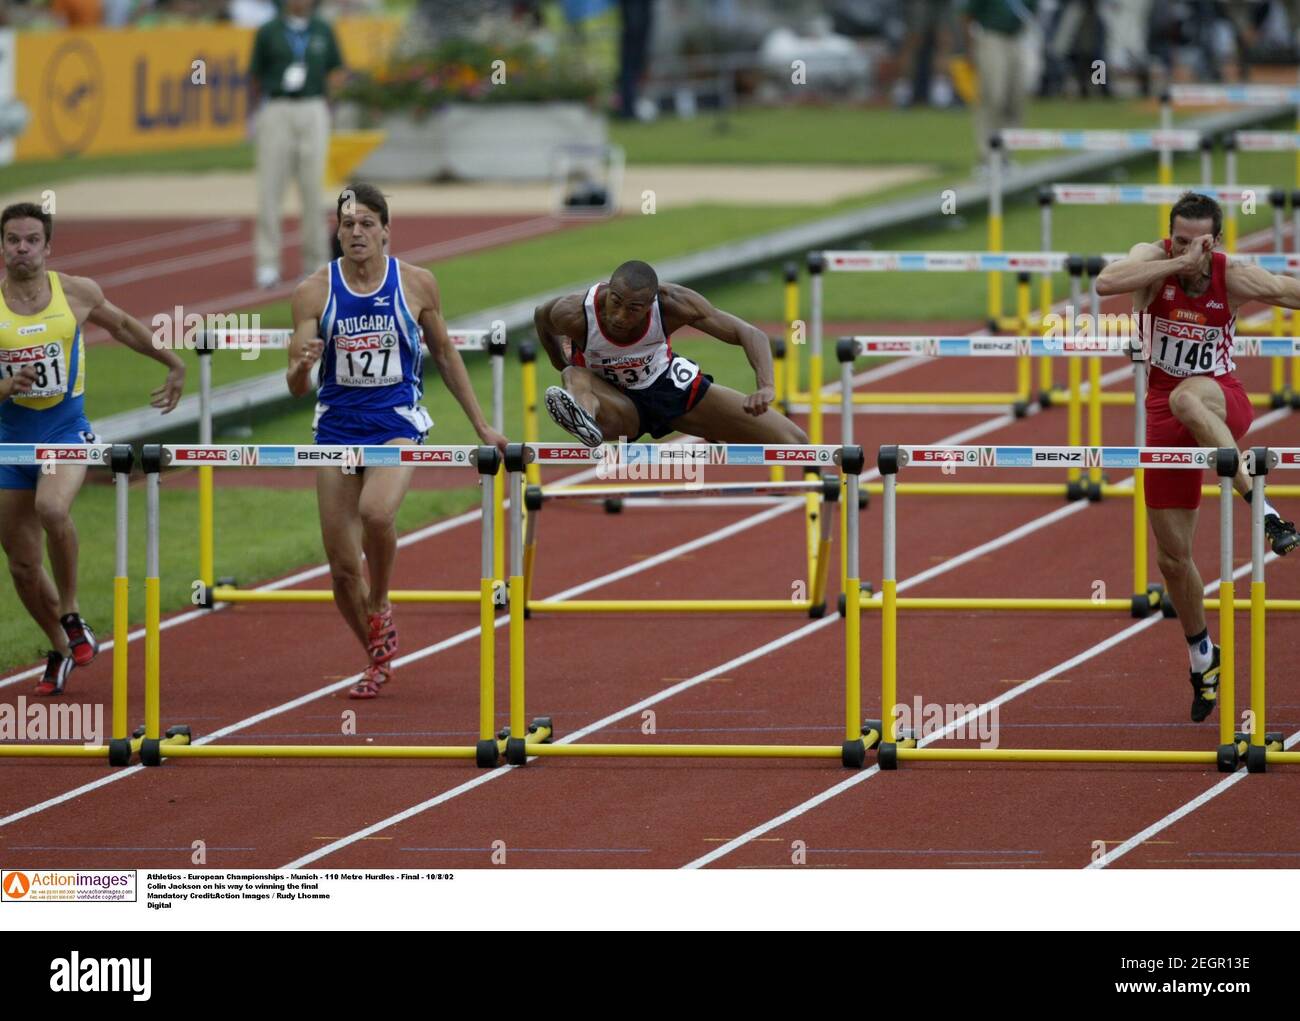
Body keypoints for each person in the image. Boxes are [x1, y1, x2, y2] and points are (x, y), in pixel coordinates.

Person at [286, 184, 507, 700]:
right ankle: (376, 657)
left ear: (386, 230)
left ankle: (381, 603)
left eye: (366, 223)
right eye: (347, 225)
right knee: (341, 571)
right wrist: (300, 367)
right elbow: (296, 385)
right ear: (336, 234)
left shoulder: (416, 285)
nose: (356, 233)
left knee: (378, 514)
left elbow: (447, 355)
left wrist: (481, 426)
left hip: (396, 423)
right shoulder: (314, 292)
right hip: (337, 431)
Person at [1096, 191, 1300, 724]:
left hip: (1219, 400)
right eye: (1181, 239)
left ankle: (1266, 512)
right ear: (1170, 235)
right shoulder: (1152, 258)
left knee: (1190, 395)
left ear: (1218, 240)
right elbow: (1105, 283)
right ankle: (1202, 654)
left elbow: (1287, 291)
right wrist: (1174, 262)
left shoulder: (1231, 275)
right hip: (1163, 415)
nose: (1191, 251)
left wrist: (1202, 264)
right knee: (1172, 557)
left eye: (1200, 243)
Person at [0, 202, 185, 695]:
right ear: (2, 246)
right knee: (20, 563)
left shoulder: (77, 292)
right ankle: (59, 647)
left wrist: (172, 362)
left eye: (31, 240)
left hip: (65, 432)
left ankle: (72, 611)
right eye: (13, 239)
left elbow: (122, 326)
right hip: (9, 441)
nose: (22, 248)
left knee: (52, 508)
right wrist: (6, 386)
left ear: (47, 246)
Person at [536, 260, 807, 446]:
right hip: (617, 402)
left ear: (650, 304)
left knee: (795, 441)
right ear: (608, 290)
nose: (619, 316)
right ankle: (585, 419)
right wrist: (560, 361)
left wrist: (766, 386)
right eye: (615, 302)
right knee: (574, 374)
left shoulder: (673, 304)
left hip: (670, 389)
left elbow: (749, 333)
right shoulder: (574, 313)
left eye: (633, 309)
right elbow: (541, 317)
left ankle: (837, 490)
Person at [248, 0, 344, 289]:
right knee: (270, 189)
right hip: (278, 106)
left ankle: (315, 263)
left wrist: (328, 104)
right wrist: (259, 111)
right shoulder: (268, 31)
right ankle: (267, 264)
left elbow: (335, 70)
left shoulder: (323, 29)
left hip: (312, 106)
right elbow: (255, 74)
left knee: (313, 190)